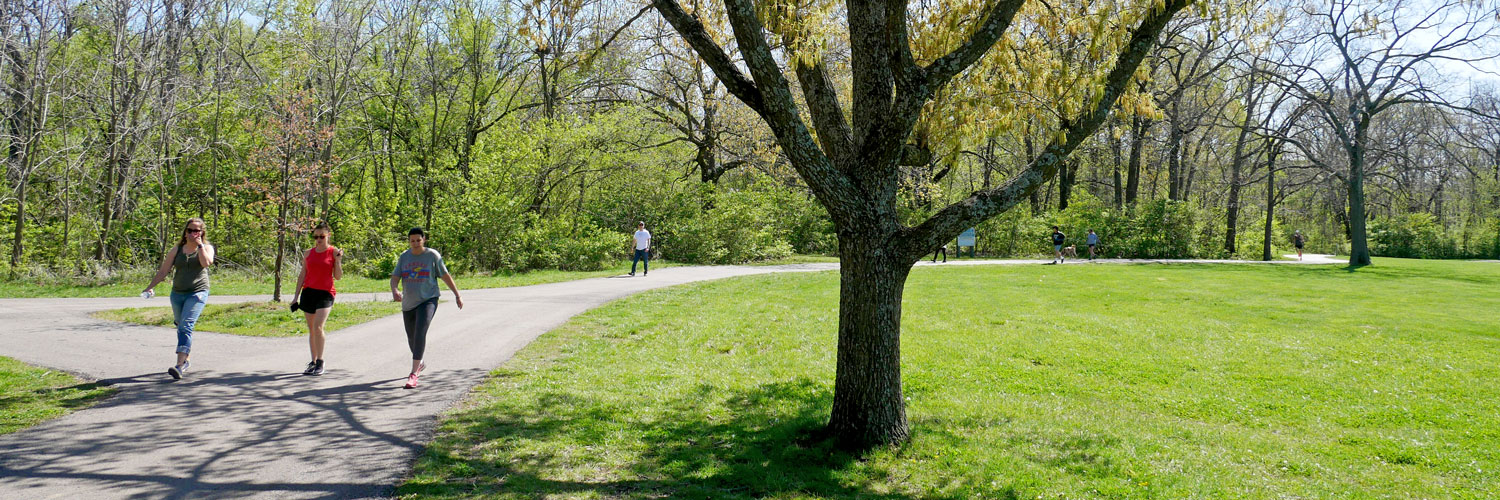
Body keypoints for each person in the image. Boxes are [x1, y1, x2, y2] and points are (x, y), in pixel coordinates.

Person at [390, 227, 463, 389]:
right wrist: (395, 290)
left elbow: (445, 275)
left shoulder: (432, 255)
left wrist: (457, 294)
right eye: (412, 241)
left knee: (420, 332)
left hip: (429, 300)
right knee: (411, 337)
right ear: (409, 241)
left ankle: (414, 374)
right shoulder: (404, 257)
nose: (415, 243)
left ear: (424, 239)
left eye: (418, 240)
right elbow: (395, 277)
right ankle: (420, 362)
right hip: (409, 302)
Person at [142, 218, 215, 380]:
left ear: (202, 232)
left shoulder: (207, 248)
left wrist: (200, 245)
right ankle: (186, 357)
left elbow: (206, 263)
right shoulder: (177, 250)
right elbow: (163, 271)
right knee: (180, 324)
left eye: (196, 231)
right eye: (189, 230)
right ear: (185, 231)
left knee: (186, 326)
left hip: (198, 292)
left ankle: (180, 365)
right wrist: (150, 286)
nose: (192, 234)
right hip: (177, 293)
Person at [291, 223, 343, 376]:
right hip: (308, 292)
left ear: (328, 236)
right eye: (316, 236)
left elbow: (338, 277)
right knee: (312, 329)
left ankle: (320, 361)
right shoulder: (308, 253)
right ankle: (313, 362)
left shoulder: (333, 252)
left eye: (322, 236)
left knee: (318, 326)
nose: (319, 239)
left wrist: (338, 261)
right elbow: (302, 275)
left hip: (326, 293)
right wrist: (295, 297)